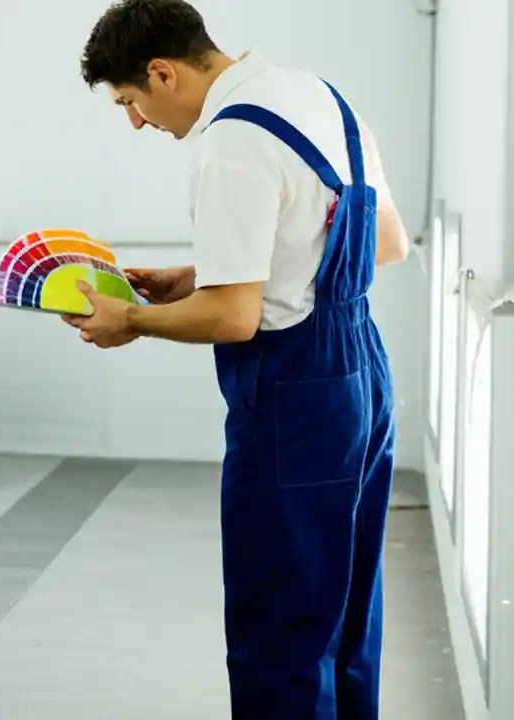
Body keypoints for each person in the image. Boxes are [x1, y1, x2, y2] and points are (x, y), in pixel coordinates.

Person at [67, 1, 412, 718]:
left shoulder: (231, 140)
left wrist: (128, 317)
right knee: (346, 616)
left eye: (131, 101)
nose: (136, 122)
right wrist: (203, 273)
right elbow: (386, 244)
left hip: (296, 395)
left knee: (280, 630)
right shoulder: (320, 97)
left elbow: (235, 317)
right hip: (363, 378)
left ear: (163, 72)